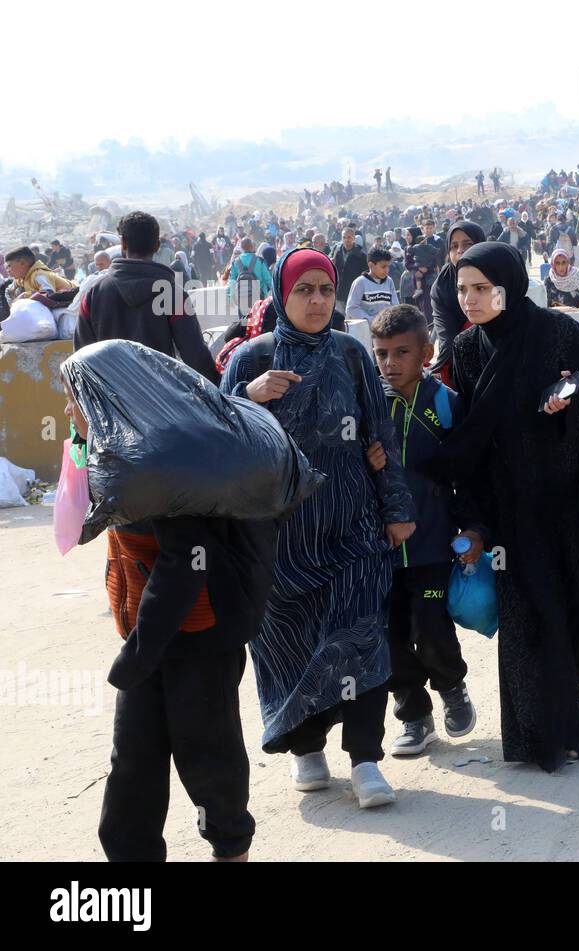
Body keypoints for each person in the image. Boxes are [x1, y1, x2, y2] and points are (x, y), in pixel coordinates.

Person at [61, 342, 276, 862]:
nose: (67, 410)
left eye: (73, 400)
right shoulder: (121, 447)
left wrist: (138, 654)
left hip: (196, 633)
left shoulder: (155, 461)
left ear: (104, 400)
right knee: (133, 756)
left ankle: (230, 850)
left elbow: (187, 562)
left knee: (209, 751)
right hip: (149, 631)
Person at [220, 248, 416, 809]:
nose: (316, 300)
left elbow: (381, 434)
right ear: (282, 294)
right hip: (278, 539)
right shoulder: (250, 358)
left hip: (353, 529)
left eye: (325, 291)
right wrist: (248, 398)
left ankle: (365, 759)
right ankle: (306, 748)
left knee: (360, 636)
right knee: (288, 644)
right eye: (304, 289)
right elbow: (220, 439)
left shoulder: (352, 354)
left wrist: (396, 507)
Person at [442, 243, 579, 771]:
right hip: (508, 505)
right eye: (461, 290)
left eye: (480, 288)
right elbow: (468, 428)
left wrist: (567, 402)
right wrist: (471, 515)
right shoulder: (467, 348)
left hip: (567, 497)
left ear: (509, 285)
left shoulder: (558, 332)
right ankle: (537, 734)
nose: (469, 299)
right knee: (527, 618)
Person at [370, 304, 484, 755]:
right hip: (379, 549)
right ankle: (414, 715)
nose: (390, 363)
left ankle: (452, 687)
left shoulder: (446, 404)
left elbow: (470, 472)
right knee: (388, 635)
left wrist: (474, 528)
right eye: (381, 353)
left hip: (434, 546)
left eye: (401, 352)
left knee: (430, 625)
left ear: (427, 352)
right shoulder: (368, 405)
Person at [76, 212, 218, 384]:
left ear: (123, 244)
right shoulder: (173, 294)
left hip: (111, 403)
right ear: (157, 245)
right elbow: (195, 356)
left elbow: (82, 357)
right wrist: (221, 393)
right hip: (162, 401)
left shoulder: (93, 294)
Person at [430, 220, 487, 384]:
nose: (460, 250)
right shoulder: (441, 287)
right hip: (458, 357)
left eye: (468, 244)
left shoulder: (498, 276)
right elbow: (447, 339)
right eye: (454, 246)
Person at [344, 247, 399, 324]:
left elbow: (395, 307)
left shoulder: (389, 281)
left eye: (388, 266)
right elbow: (351, 309)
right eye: (383, 267)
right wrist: (372, 320)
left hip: (385, 331)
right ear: (371, 265)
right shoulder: (360, 282)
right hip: (365, 332)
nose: (387, 270)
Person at [4, 245, 76, 299]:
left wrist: (25, 295)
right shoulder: (21, 278)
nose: (8, 270)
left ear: (22, 263)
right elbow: (10, 290)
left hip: (72, 299)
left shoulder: (39, 275)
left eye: (10, 266)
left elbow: (49, 293)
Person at [227, 237, 274, 319]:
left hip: (241, 298)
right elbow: (268, 279)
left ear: (241, 248)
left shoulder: (236, 262)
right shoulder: (259, 260)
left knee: (243, 324)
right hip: (258, 296)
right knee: (258, 322)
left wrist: (230, 296)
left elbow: (232, 281)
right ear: (252, 247)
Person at [332, 228, 369, 328]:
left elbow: (365, 274)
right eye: (344, 237)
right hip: (339, 292)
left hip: (354, 293)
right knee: (339, 321)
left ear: (353, 238)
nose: (346, 240)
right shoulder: (337, 250)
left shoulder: (361, 255)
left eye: (349, 237)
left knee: (353, 322)